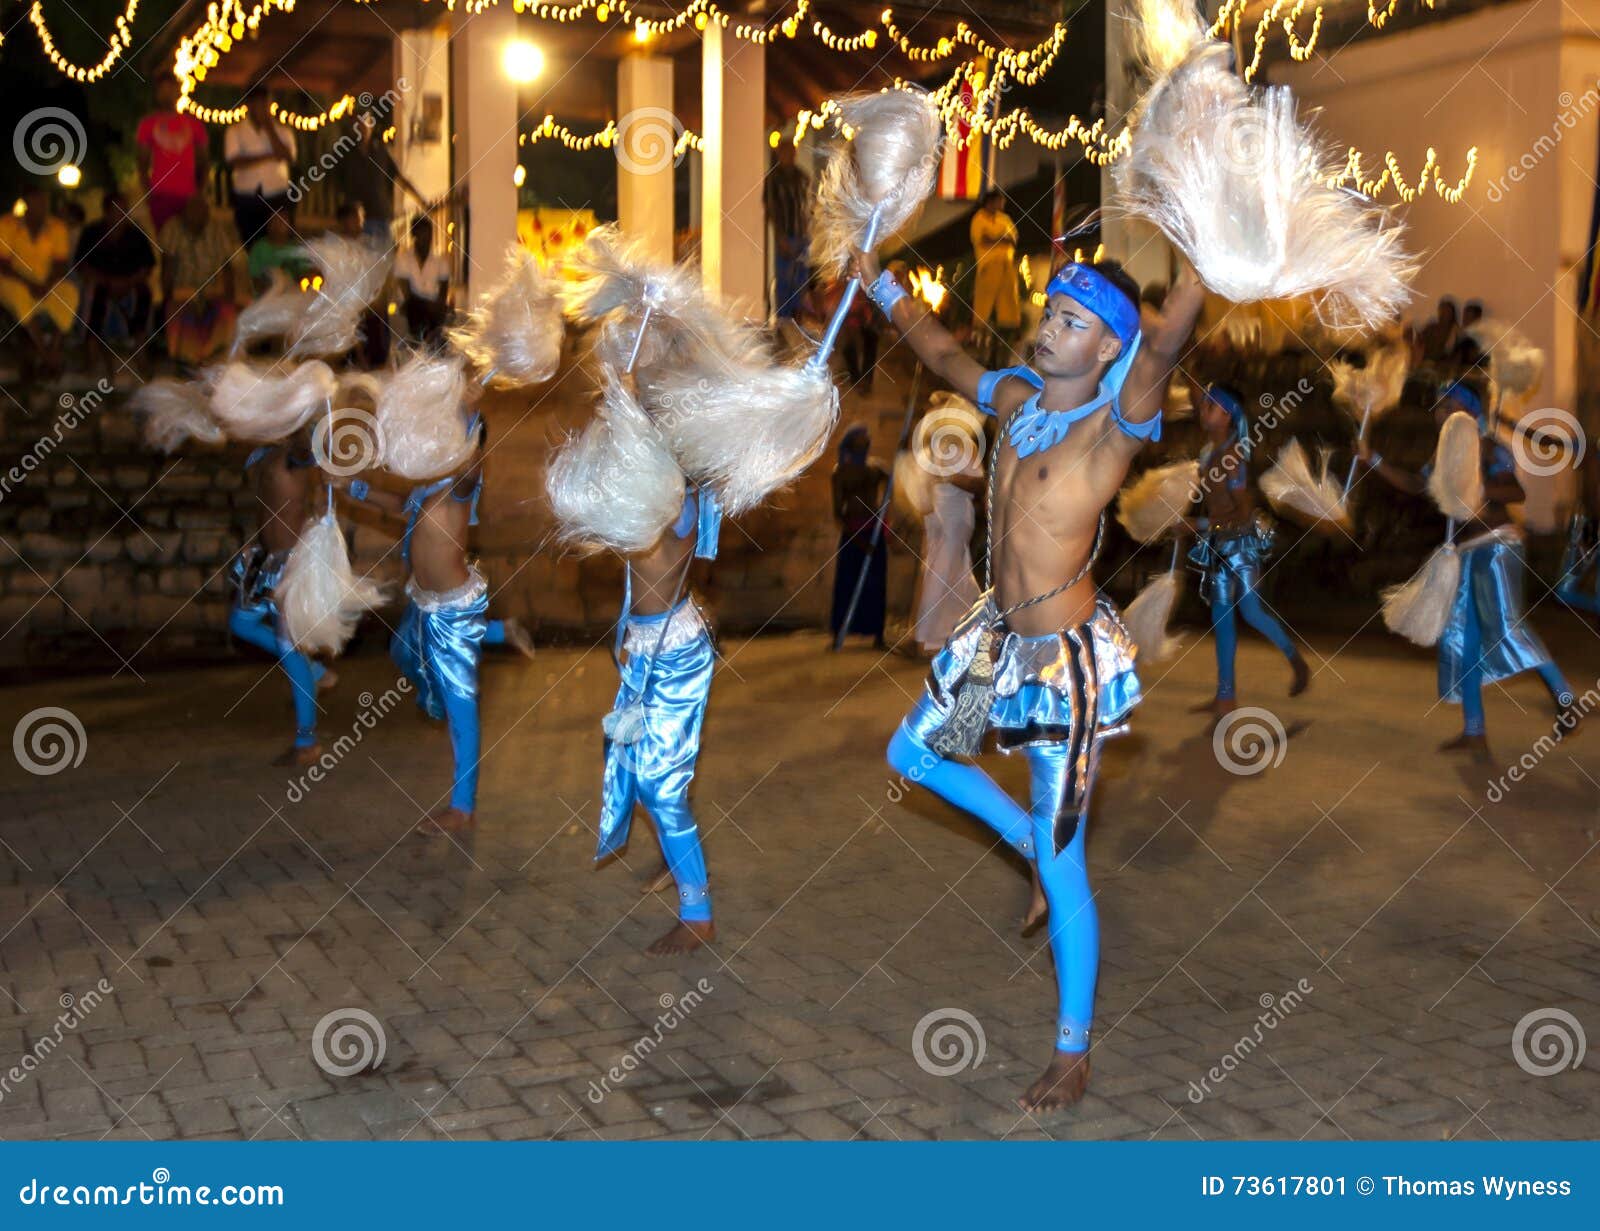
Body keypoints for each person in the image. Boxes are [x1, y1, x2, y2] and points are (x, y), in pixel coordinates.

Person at [858, 246, 1206, 1112]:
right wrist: (882, 282)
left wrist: (1202, 258)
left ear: (1106, 350)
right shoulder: (1012, 399)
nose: (1051, 327)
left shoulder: (1114, 425)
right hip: (992, 641)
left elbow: (1163, 351)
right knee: (912, 753)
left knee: (1065, 861)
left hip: (1063, 663)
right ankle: (1025, 841)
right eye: (1051, 311)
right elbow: (941, 353)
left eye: (1073, 321)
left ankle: (1073, 1047)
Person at [1358, 380, 1579, 755]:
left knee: (1507, 626)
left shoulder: (1488, 446)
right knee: (1462, 639)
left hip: (1497, 546)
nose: (1438, 411)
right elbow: (1417, 485)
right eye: (1438, 405)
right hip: (1465, 552)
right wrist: (1372, 460)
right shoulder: (1445, 453)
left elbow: (1516, 493)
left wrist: (1474, 486)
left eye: (1446, 405)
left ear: (1466, 411)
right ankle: (1474, 731)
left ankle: (1565, 699)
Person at [340, 416, 534, 833]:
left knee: (459, 701)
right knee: (402, 653)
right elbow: (397, 506)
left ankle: (461, 807)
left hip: (453, 607)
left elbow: (470, 468)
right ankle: (499, 631)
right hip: (422, 601)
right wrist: (353, 487)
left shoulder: (462, 485)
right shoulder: (429, 485)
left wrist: (462, 419)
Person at [598, 484, 722, 955]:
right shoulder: (662, 491)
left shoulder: (672, 499)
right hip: (645, 651)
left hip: (675, 658)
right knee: (626, 761)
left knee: (660, 789)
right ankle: (678, 855)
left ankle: (698, 916)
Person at [1185, 384, 1310, 716]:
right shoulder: (1210, 451)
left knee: (1251, 612)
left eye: (1211, 406)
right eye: (1203, 405)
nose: (1202, 410)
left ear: (1227, 416)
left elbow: (1243, 513)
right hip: (1219, 543)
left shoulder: (1232, 456)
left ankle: (1295, 659)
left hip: (1239, 545)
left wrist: (1197, 527)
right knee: (1221, 616)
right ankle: (1225, 697)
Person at [229, 435, 336, 767]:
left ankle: (307, 743)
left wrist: (321, 445)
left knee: (289, 648)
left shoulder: (295, 453)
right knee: (241, 623)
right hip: (265, 561)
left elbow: (309, 450)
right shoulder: (268, 452)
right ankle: (316, 671)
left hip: (291, 561)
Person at [912, 409, 983, 655]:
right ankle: (963, 629)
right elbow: (920, 491)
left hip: (957, 518)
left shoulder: (967, 449)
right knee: (947, 572)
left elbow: (979, 484)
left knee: (942, 572)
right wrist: (929, 514)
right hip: (937, 519)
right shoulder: (928, 453)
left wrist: (950, 477)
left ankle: (926, 636)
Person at [75, 192, 157, 382]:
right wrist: (106, 281)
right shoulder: (92, 232)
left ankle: (140, 349)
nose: (122, 215)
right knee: (93, 294)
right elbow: (82, 265)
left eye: (124, 210)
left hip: (130, 282)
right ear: (106, 212)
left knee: (144, 293)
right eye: (116, 211)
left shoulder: (136, 234)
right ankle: (92, 354)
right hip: (101, 281)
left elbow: (147, 267)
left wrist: (128, 282)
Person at [0, 186, 78, 382]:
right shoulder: (7, 224)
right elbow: (3, 264)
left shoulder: (57, 227)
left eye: (44, 202)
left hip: (45, 283)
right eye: (37, 202)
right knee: (18, 296)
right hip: (14, 280)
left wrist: (46, 284)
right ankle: (47, 356)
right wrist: (30, 284)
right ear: (26, 204)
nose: (43, 207)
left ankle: (54, 348)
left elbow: (61, 264)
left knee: (69, 292)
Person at [157, 193, 240, 367]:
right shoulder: (172, 229)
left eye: (204, 211)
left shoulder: (216, 230)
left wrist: (229, 297)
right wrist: (168, 297)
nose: (199, 216)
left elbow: (228, 266)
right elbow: (167, 268)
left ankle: (215, 360)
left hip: (212, 290)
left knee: (227, 313)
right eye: (194, 211)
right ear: (185, 213)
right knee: (177, 313)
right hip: (183, 292)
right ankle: (186, 363)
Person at [830, 425, 889, 649]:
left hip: (873, 532)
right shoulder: (840, 472)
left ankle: (878, 634)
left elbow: (892, 478)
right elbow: (839, 511)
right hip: (852, 535)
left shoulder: (876, 468)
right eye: (860, 440)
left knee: (876, 585)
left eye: (867, 439)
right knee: (847, 583)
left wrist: (902, 453)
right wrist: (857, 539)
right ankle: (839, 633)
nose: (865, 443)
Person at [338, 110, 427, 245]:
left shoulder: (381, 152)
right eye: (359, 124)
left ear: (371, 125)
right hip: (357, 221)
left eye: (365, 123)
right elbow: (342, 186)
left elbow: (399, 178)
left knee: (384, 256)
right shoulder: (349, 155)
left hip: (380, 215)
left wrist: (420, 199)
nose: (362, 127)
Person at [137, 77, 212, 232]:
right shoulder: (148, 124)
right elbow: (142, 163)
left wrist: (199, 193)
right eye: (163, 90)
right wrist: (148, 194)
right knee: (166, 243)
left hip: (189, 196)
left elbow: (204, 162)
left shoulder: (194, 124)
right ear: (157, 94)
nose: (167, 94)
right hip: (161, 195)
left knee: (191, 241)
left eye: (170, 89)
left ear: (178, 92)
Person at [225, 91, 297, 245]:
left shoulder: (283, 130)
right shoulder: (235, 131)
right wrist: (269, 156)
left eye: (266, 104)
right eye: (258, 105)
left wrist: (270, 130)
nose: (263, 109)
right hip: (247, 196)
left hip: (277, 194)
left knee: (281, 240)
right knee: (252, 241)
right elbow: (235, 161)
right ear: (249, 106)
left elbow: (288, 157)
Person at [969, 189, 1022, 367]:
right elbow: (982, 240)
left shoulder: (1004, 219)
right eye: (999, 201)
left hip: (1006, 269)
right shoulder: (979, 218)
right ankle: (981, 357)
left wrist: (998, 239)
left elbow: (1013, 239)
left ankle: (1000, 360)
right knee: (983, 315)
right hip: (989, 268)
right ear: (990, 202)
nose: (1001, 205)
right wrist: (1001, 240)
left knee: (1008, 315)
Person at [765, 141, 811, 321]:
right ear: (779, 154)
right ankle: (783, 319)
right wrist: (779, 236)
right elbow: (771, 210)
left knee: (800, 279)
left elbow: (808, 205)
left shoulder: (802, 177)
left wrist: (808, 230)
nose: (789, 156)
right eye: (785, 152)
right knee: (784, 278)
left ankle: (798, 317)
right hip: (785, 236)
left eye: (792, 152)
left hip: (802, 236)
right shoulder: (773, 179)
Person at [1557, 443, 1600, 618]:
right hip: (1591, 526)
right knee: (1564, 592)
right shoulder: (1588, 449)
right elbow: (1547, 441)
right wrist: (1512, 424)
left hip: (1591, 525)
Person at [393, 215, 451, 344]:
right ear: (414, 234)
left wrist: (439, 304)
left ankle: (430, 340)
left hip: (433, 304)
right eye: (422, 233)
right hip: (411, 303)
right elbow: (406, 292)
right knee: (415, 308)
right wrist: (428, 305)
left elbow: (444, 289)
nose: (427, 237)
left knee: (446, 311)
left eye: (429, 233)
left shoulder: (440, 259)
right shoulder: (403, 259)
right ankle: (430, 339)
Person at [248, 208, 312, 288]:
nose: (277, 225)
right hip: (266, 296)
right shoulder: (259, 248)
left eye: (282, 221)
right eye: (273, 220)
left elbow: (305, 274)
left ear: (290, 225)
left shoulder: (297, 248)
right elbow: (254, 279)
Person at [1417, 297, 1459, 365]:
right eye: (1442, 310)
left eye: (1447, 311)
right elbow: (1418, 340)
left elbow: (1453, 353)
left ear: (1452, 313)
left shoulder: (1455, 330)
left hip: (1443, 365)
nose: (1443, 313)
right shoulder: (1431, 327)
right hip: (1425, 363)